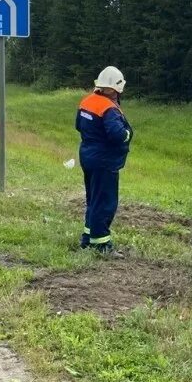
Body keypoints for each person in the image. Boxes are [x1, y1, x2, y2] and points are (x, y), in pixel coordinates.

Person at [76, 66, 133, 254]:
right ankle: (101, 245)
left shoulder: (87, 101)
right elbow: (117, 135)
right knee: (105, 202)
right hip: (104, 161)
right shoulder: (109, 108)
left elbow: (78, 125)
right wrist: (127, 134)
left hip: (87, 156)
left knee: (93, 199)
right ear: (116, 88)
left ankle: (88, 238)